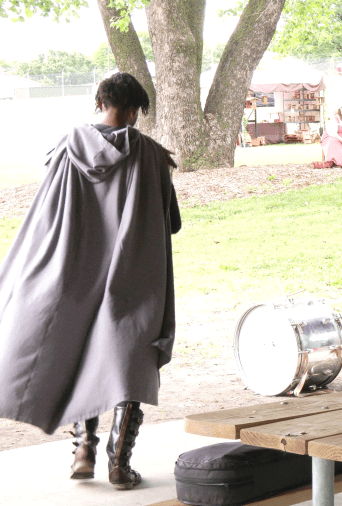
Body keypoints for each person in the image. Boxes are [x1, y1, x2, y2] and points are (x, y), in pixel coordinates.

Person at [0, 72, 181, 490]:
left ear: (101, 103)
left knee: (83, 355)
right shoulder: (152, 156)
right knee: (130, 360)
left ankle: (84, 448)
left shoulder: (66, 150)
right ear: (135, 111)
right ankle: (119, 463)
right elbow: (172, 222)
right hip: (133, 277)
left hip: (74, 275)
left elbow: (46, 217)